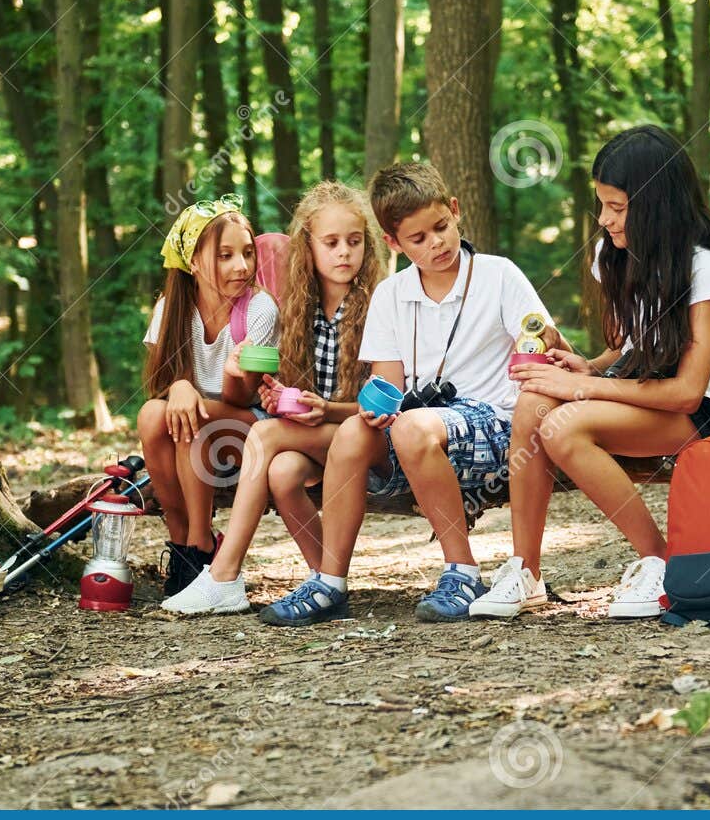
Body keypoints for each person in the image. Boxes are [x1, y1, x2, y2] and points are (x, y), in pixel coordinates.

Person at [260, 162, 567, 626]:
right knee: (351, 435)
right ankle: (329, 582)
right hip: (419, 428)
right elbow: (388, 389)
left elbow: (545, 343)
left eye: (440, 227)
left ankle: (462, 573)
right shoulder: (391, 295)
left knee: (412, 426)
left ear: (456, 212)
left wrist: (542, 344)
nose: (436, 243)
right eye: (418, 239)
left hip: (495, 425)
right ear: (392, 243)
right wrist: (373, 411)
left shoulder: (497, 275)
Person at [470, 125, 710, 620]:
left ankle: (661, 561)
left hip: (697, 411)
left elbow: (687, 392)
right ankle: (525, 570)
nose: (605, 220)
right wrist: (587, 364)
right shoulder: (612, 256)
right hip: (638, 390)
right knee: (536, 402)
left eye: (617, 209)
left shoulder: (701, 267)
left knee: (561, 423)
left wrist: (583, 385)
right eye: (602, 205)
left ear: (658, 206)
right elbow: (627, 346)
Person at [162, 183, 384, 615]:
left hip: (371, 438)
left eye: (354, 242)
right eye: (332, 243)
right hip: (320, 440)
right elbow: (296, 390)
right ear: (308, 247)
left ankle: (223, 575)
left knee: (263, 435)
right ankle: (329, 583)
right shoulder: (300, 308)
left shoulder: (380, 304)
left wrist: (329, 410)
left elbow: (387, 403)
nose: (344, 253)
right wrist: (281, 395)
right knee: (282, 472)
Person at [138, 194, 277, 596]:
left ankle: (201, 546)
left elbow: (243, 397)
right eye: (226, 255)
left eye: (248, 253)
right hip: (194, 425)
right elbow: (160, 386)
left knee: (191, 419)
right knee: (151, 414)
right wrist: (179, 383)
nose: (242, 266)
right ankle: (181, 537)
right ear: (194, 261)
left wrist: (199, 388)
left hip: (250, 426)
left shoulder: (260, 309)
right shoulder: (172, 308)